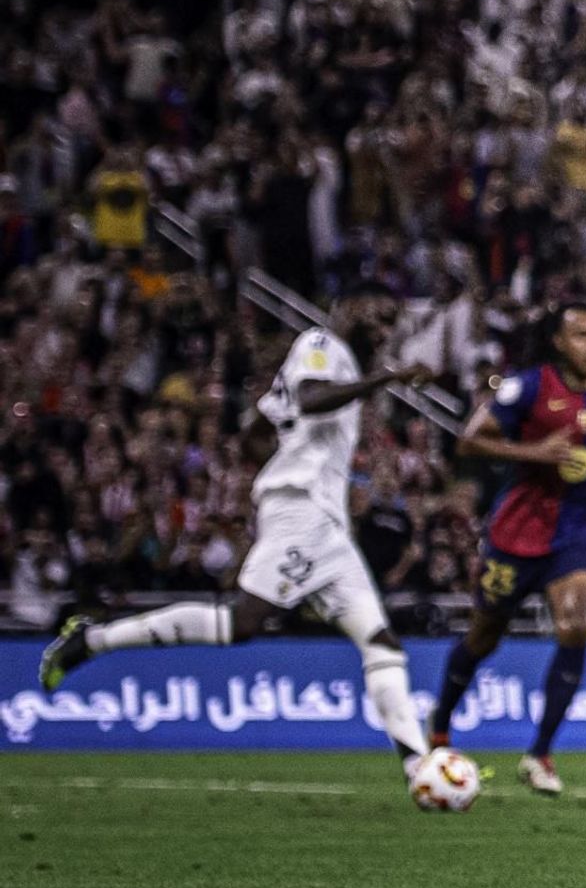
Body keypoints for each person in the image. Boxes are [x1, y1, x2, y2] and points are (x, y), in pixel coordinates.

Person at [40, 289, 441, 787]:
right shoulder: (323, 343)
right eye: (378, 316)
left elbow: (256, 428)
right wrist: (387, 378)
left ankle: (418, 766)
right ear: (348, 306)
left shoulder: (340, 359)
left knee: (381, 643)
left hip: (327, 524)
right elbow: (313, 398)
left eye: (390, 325)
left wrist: (284, 443)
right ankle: (92, 639)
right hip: (302, 509)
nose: (383, 330)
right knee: (241, 621)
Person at [428, 300, 586, 796]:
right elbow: (468, 441)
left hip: (574, 532)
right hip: (516, 532)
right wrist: (532, 453)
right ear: (559, 342)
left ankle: (540, 753)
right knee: (484, 636)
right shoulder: (528, 386)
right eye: (582, 337)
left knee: (576, 624)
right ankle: (438, 726)